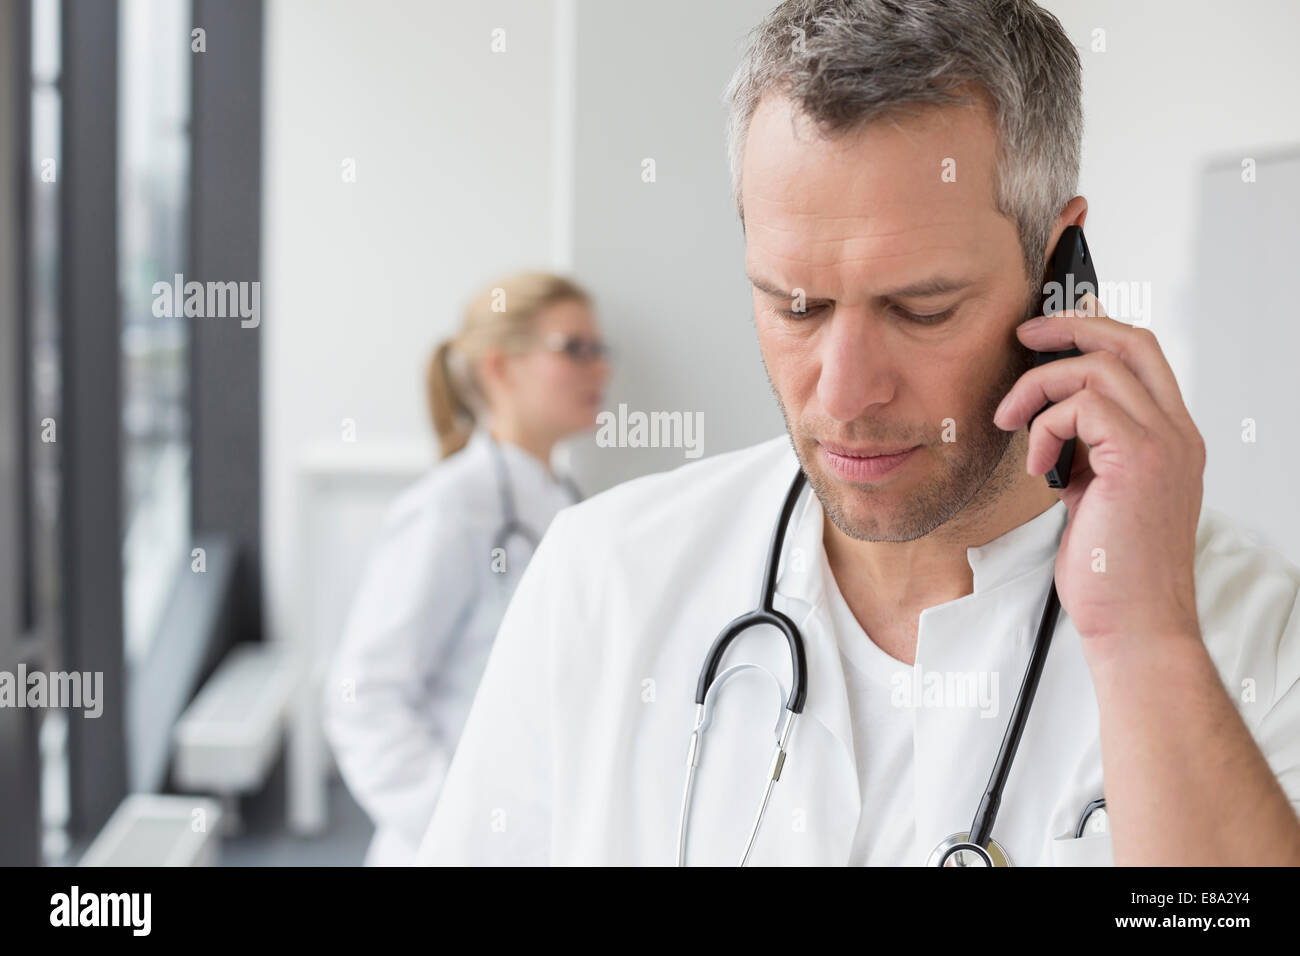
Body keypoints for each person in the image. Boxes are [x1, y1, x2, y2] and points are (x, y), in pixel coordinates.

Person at [416, 0, 1300, 866]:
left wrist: (1145, 639)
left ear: (1057, 270)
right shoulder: (602, 577)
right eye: (795, 306)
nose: (844, 395)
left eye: (921, 309)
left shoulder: (1251, 627)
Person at [323, 270, 610, 866]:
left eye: (600, 349)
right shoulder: (449, 508)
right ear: (498, 368)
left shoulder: (565, 499)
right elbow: (363, 699)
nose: (601, 370)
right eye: (576, 350)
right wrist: (459, 827)